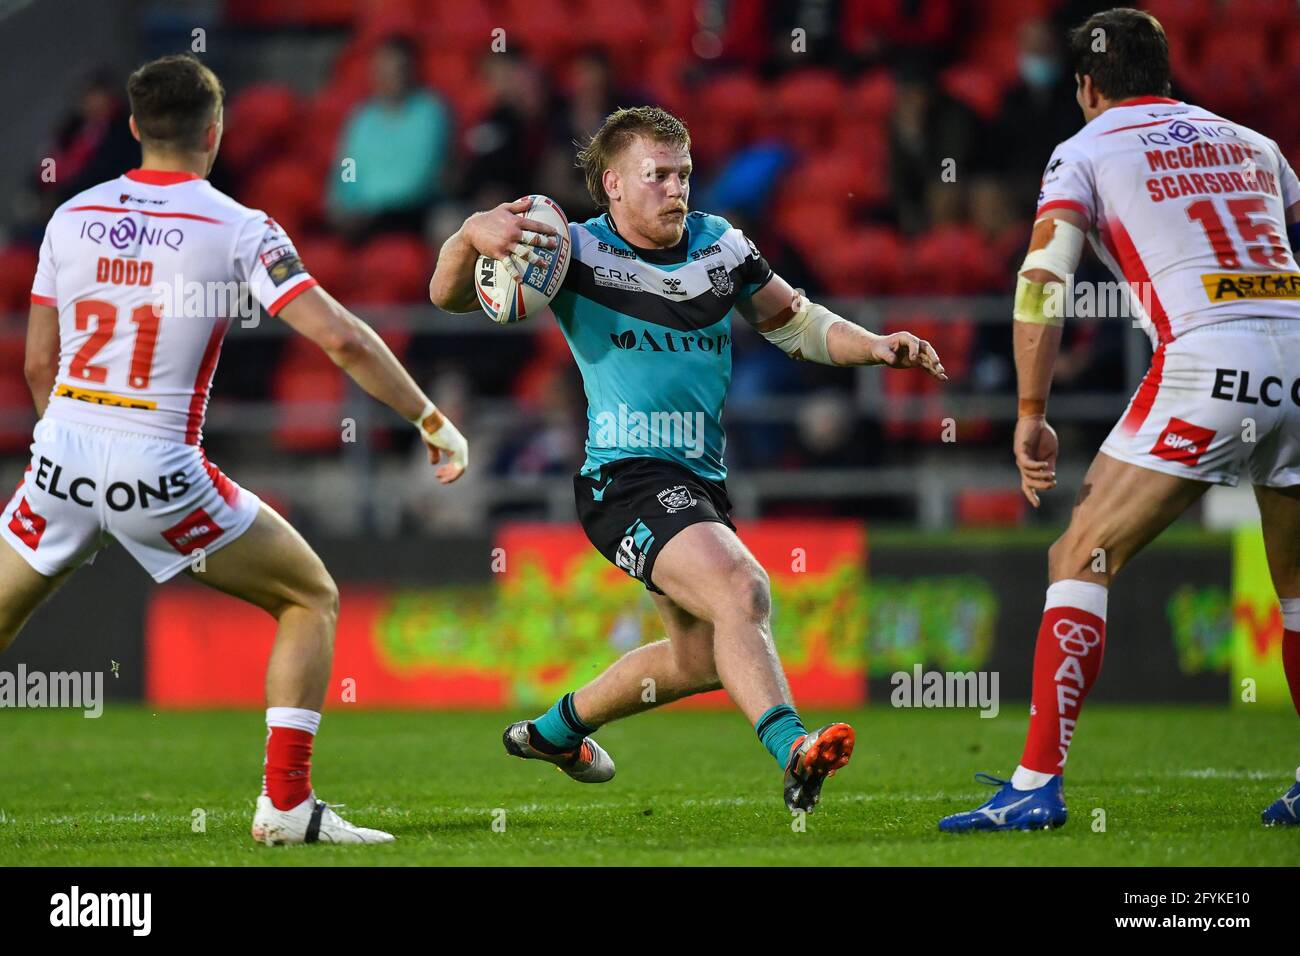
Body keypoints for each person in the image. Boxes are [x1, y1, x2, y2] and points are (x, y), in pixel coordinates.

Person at [1, 54, 468, 845]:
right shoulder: (239, 226)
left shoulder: (70, 216)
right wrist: (430, 418)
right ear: (214, 134)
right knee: (308, 598)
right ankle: (286, 807)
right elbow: (344, 339)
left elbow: (37, 365)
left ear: (132, 128)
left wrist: (80, 466)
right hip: (159, 465)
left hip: (61, 454)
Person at [430, 106, 946, 813]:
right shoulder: (569, 252)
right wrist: (467, 237)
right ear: (612, 183)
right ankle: (794, 748)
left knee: (697, 660)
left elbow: (797, 323)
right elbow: (450, 296)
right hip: (624, 479)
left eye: (684, 175)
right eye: (658, 177)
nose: (677, 190)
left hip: (698, 480)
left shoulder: (722, 247)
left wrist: (876, 345)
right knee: (743, 588)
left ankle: (553, 733)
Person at [939, 7, 1300, 832]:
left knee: (1079, 553)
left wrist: (1031, 410)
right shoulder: (1254, 143)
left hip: (1210, 356)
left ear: (1086, 87)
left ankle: (1034, 785)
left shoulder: (1085, 149)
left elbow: (1042, 280)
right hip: (1297, 344)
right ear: (1166, 75)